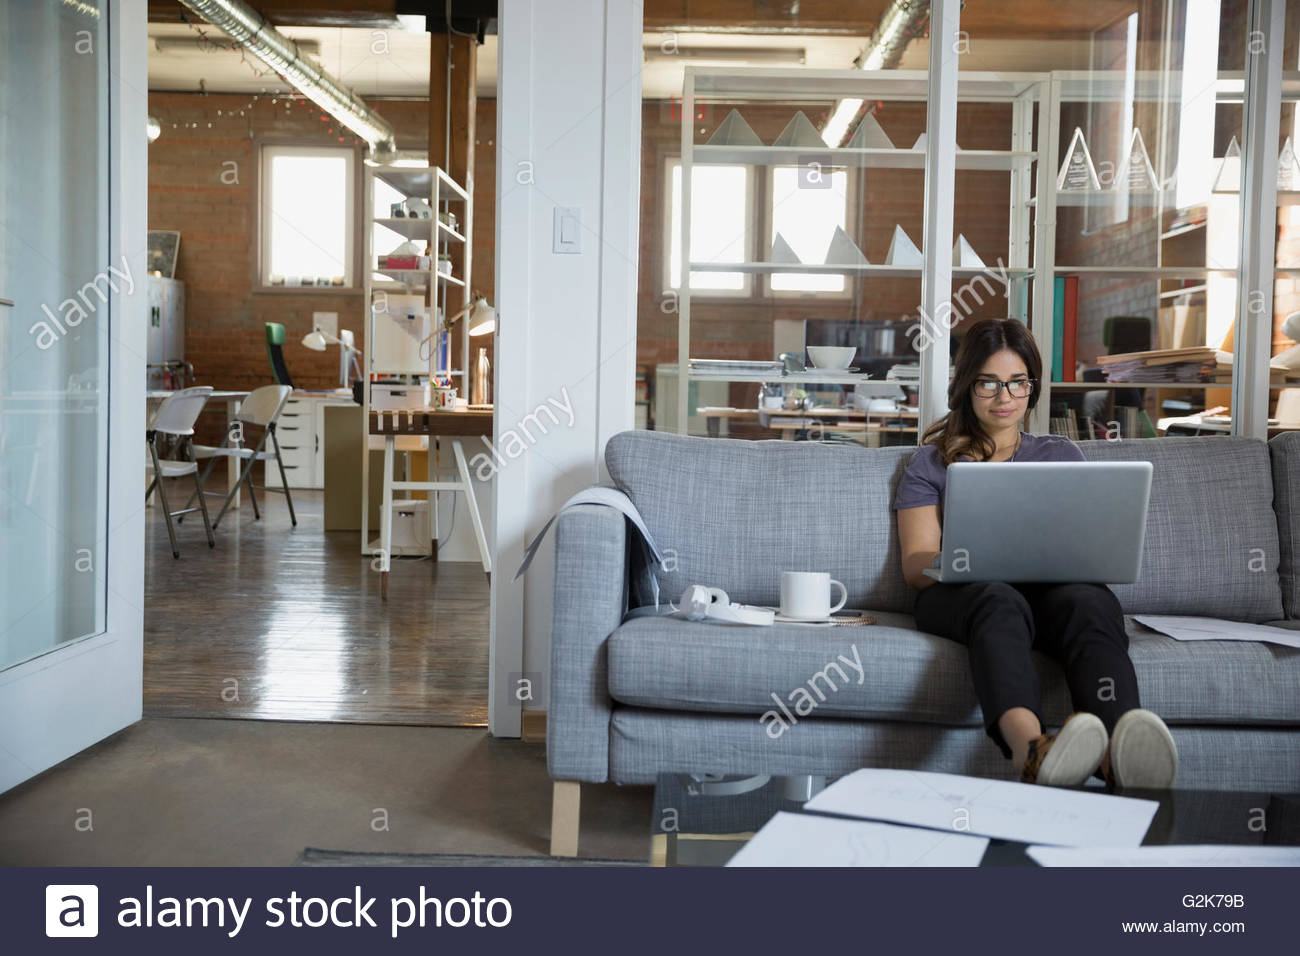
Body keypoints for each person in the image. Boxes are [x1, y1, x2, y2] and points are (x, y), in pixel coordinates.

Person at [892, 318, 1178, 789]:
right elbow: (914, 564)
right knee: (998, 598)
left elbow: (1087, 545)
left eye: (1018, 383)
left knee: (1090, 600)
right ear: (966, 386)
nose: (1004, 397)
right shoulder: (932, 461)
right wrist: (958, 563)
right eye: (989, 383)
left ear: (1032, 387)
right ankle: (1033, 752)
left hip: (1049, 598)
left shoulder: (1060, 455)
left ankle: (1118, 751)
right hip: (964, 596)